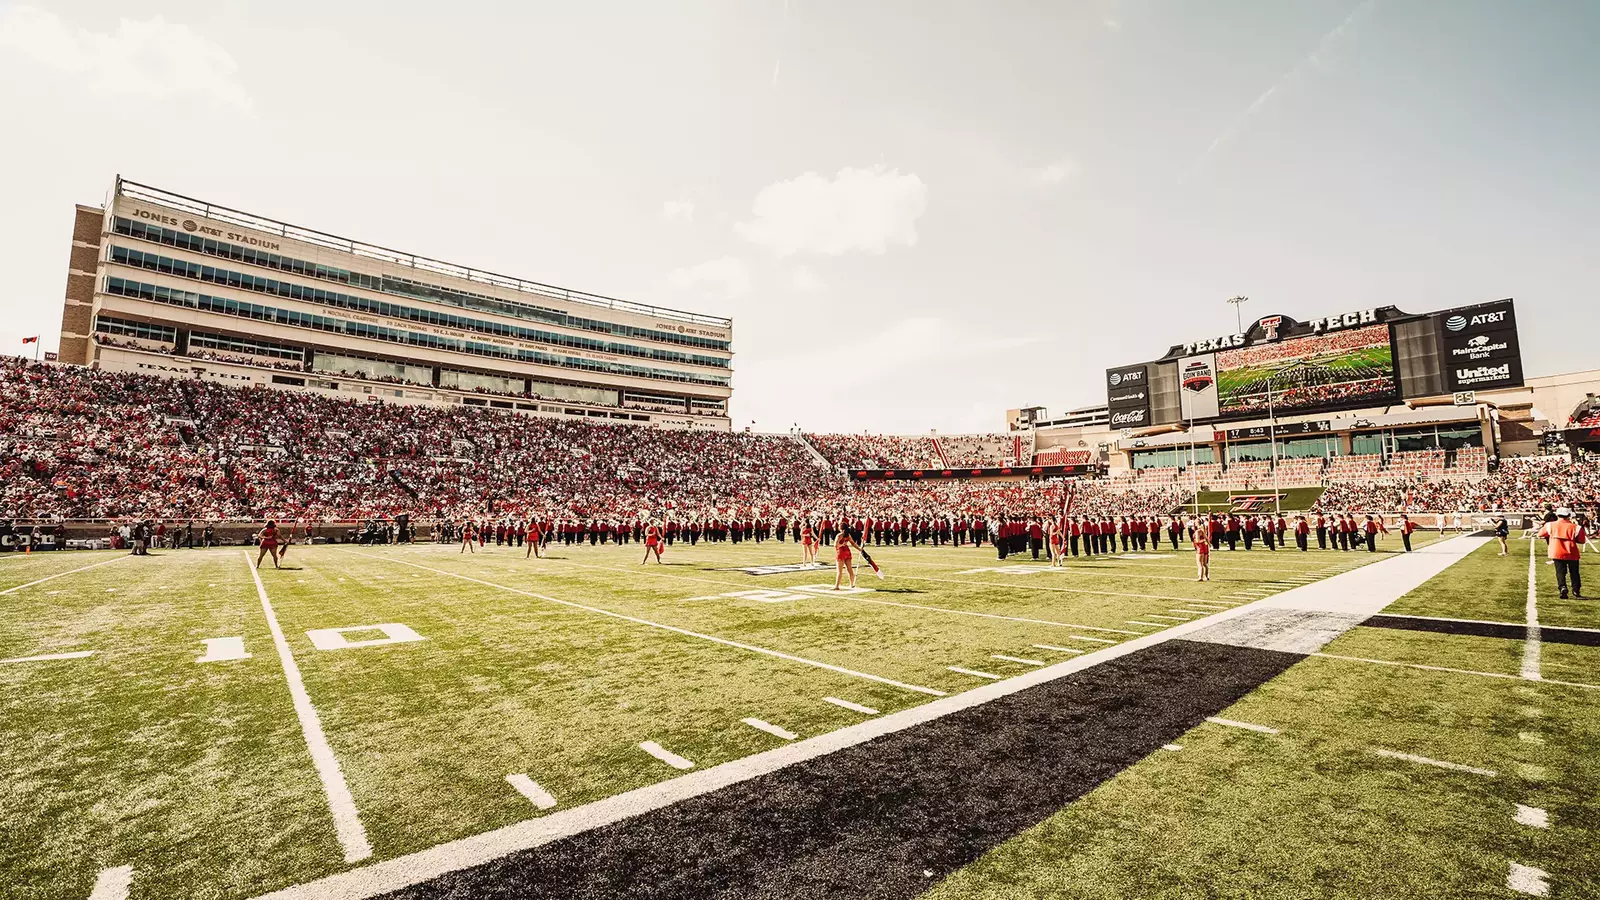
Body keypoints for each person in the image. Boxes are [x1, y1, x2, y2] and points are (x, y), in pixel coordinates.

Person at [1536, 508, 1587, 600]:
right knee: (1574, 572)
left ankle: (1562, 587)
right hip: (1572, 552)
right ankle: (1576, 591)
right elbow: (1582, 540)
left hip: (1556, 551)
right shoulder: (1576, 527)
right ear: (1568, 516)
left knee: (1560, 572)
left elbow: (1540, 534)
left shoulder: (1550, 525)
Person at [834, 524, 862, 590]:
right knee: (849, 569)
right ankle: (851, 584)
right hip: (847, 551)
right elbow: (853, 543)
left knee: (839, 571)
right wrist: (859, 548)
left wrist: (841, 545)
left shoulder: (839, 535)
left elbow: (836, 545)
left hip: (841, 552)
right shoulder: (848, 535)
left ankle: (837, 586)